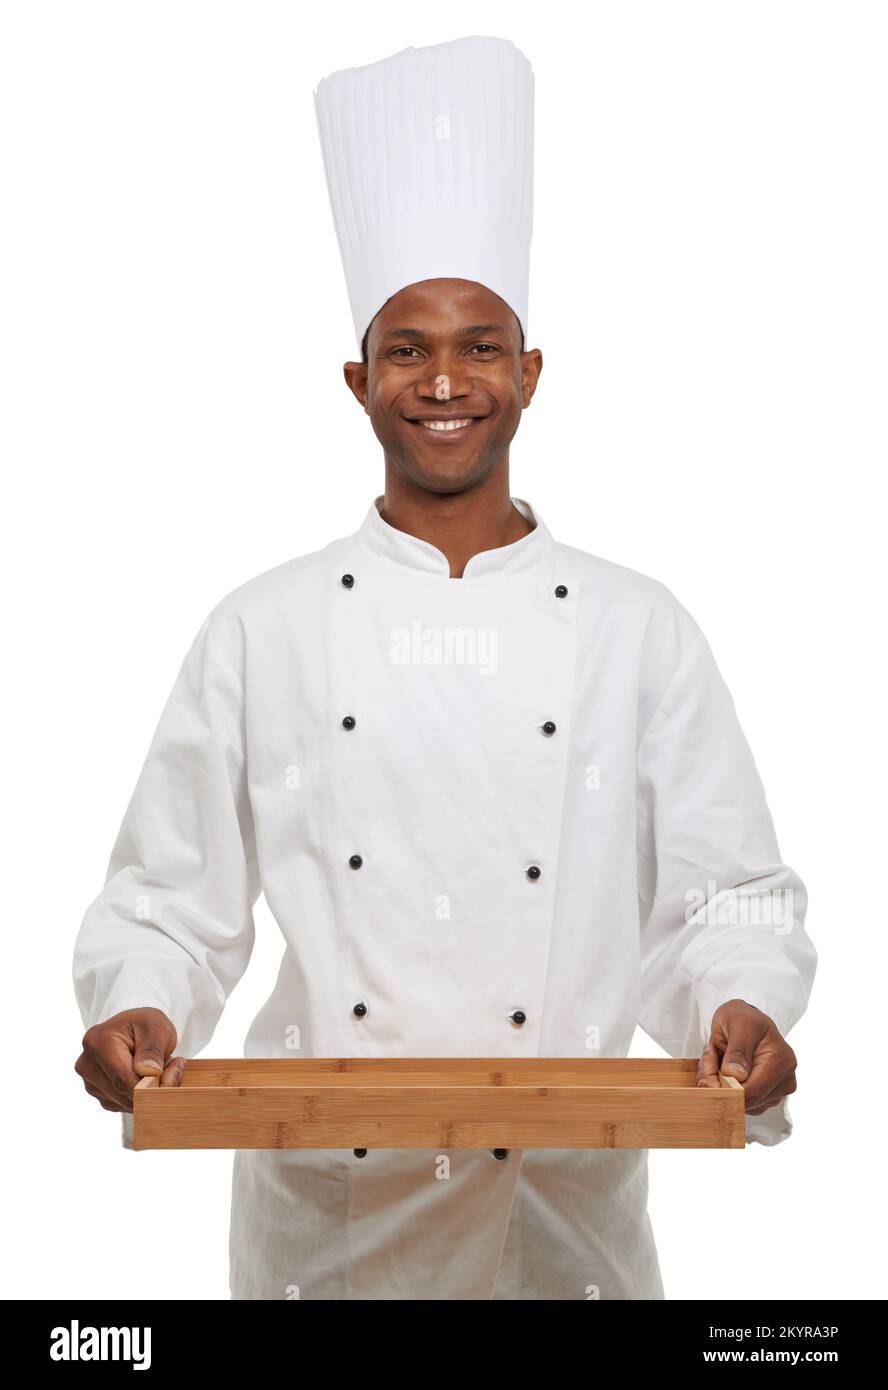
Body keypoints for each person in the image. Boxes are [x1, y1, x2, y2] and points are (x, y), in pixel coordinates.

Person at [73, 36, 817, 1301]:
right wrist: (139, 1003)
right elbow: (166, 900)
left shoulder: (639, 628)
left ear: (529, 376)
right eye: (407, 349)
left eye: (481, 346)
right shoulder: (265, 627)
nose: (445, 381)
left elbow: (727, 896)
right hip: (328, 1222)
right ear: (359, 382)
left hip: (566, 1213)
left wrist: (741, 1004)